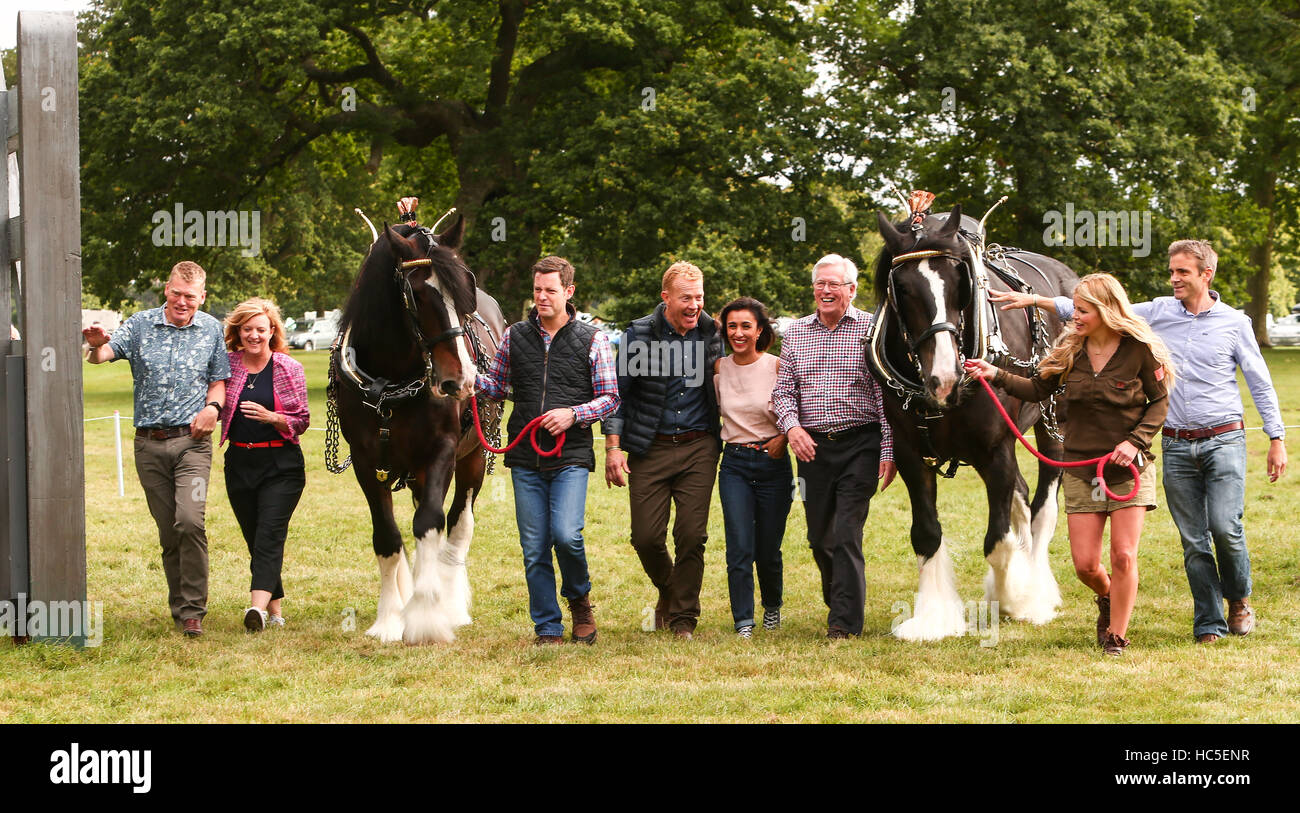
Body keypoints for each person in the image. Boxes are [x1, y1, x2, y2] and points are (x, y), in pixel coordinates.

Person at [991, 240, 1287, 644]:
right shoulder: (1158, 312)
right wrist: (1032, 299)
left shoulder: (1234, 323)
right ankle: (1208, 624)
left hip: (1224, 437)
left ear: (1206, 274)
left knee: (1224, 528)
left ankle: (1237, 598)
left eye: (1182, 272)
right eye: (1172, 270)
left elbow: (1259, 381)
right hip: (1176, 443)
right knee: (1193, 539)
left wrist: (1276, 435)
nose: (1173, 278)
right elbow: (1090, 310)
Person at [969, 273, 1174, 656]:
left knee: (1124, 555)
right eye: (1074, 309)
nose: (1073, 316)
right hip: (1082, 468)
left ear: (1106, 310)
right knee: (1085, 565)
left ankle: (1116, 636)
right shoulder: (1069, 350)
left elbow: (1159, 402)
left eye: (1081, 310)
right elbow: (1035, 389)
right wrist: (994, 374)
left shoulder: (1140, 349)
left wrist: (1135, 442)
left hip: (1129, 469)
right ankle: (1109, 596)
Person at [477, 256, 620, 645]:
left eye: (550, 290)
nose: (542, 297)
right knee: (534, 545)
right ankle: (547, 627)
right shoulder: (514, 335)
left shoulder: (594, 339)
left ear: (569, 292)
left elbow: (610, 398)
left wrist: (574, 414)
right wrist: (465, 379)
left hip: (570, 455)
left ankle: (580, 601)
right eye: (537, 289)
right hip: (525, 455)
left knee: (566, 534)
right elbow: (495, 385)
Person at [83, 261, 229, 637]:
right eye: (177, 294)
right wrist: (95, 345)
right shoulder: (140, 324)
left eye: (191, 297)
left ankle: (194, 610)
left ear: (202, 297)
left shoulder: (212, 329)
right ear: (167, 289)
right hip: (148, 445)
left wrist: (213, 409)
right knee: (169, 531)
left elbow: (218, 381)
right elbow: (102, 355)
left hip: (192, 445)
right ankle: (180, 608)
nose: (183, 302)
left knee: (190, 521)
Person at [772, 254, 896, 639]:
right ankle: (839, 600)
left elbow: (885, 395)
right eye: (820, 284)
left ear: (852, 290)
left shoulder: (872, 330)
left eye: (834, 285)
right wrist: (792, 429)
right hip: (812, 449)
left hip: (861, 443)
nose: (826, 291)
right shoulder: (795, 333)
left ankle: (843, 624)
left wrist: (889, 452)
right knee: (818, 539)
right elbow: (783, 392)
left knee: (846, 533)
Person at [605, 261, 723, 640]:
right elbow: (618, 395)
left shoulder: (712, 334)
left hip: (699, 447)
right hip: (650, 447)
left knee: (692, 535)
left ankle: (684, 619)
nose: (695, 305)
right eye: (686, 298)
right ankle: (670, 591)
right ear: (666, 298)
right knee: (646, 538)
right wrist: (613, 447)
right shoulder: (639, 334)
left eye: (700, 297)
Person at [219, 298, 310, 633]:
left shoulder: (289, 367)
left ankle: (255, 609)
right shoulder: (228, 365)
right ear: (238, 332)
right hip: (239, 461)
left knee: (269, 534)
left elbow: (301, 421)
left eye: (261, 329)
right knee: (255, 537)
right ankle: (275, 612)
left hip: (281, 465)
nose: (254, 335)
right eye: (247, 329)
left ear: (272, 332)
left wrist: (274, 418)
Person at [714, 298, 791, 638]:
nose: (739, 333)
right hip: (734, 464)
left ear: (760, 330)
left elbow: (795, 409)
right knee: (739, 545)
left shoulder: (777, 366)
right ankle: (743, 620)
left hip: (773, 462)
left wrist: (784, 439)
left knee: (767, 548)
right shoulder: (718, 368)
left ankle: (772, 606)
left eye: (746, 326)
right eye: (732, 326)